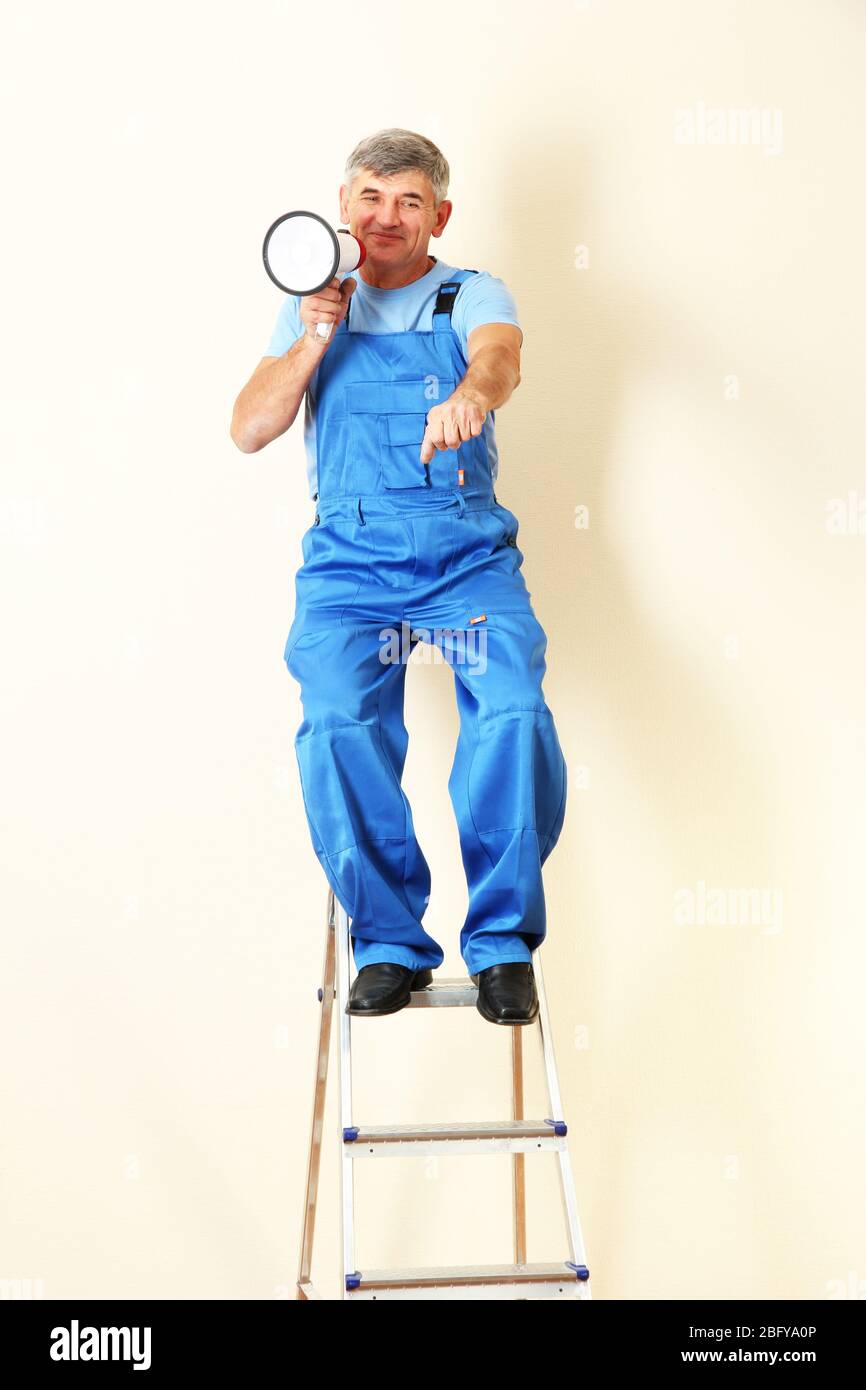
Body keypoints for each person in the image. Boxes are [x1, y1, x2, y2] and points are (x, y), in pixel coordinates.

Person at [231, 129, 567, 1026]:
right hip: (350, 563)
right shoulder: (309, 305)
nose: (387, 218)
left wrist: (473, 394)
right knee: (337, 720)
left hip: (463, 559)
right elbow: (250, 429)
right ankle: (387, 941)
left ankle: (500, 944)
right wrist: (311, 340)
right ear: (344, 209)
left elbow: (501, 355)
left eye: (409, 202)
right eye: (371, 200)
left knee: (513, 709)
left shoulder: (469, 293)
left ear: (438, 215)